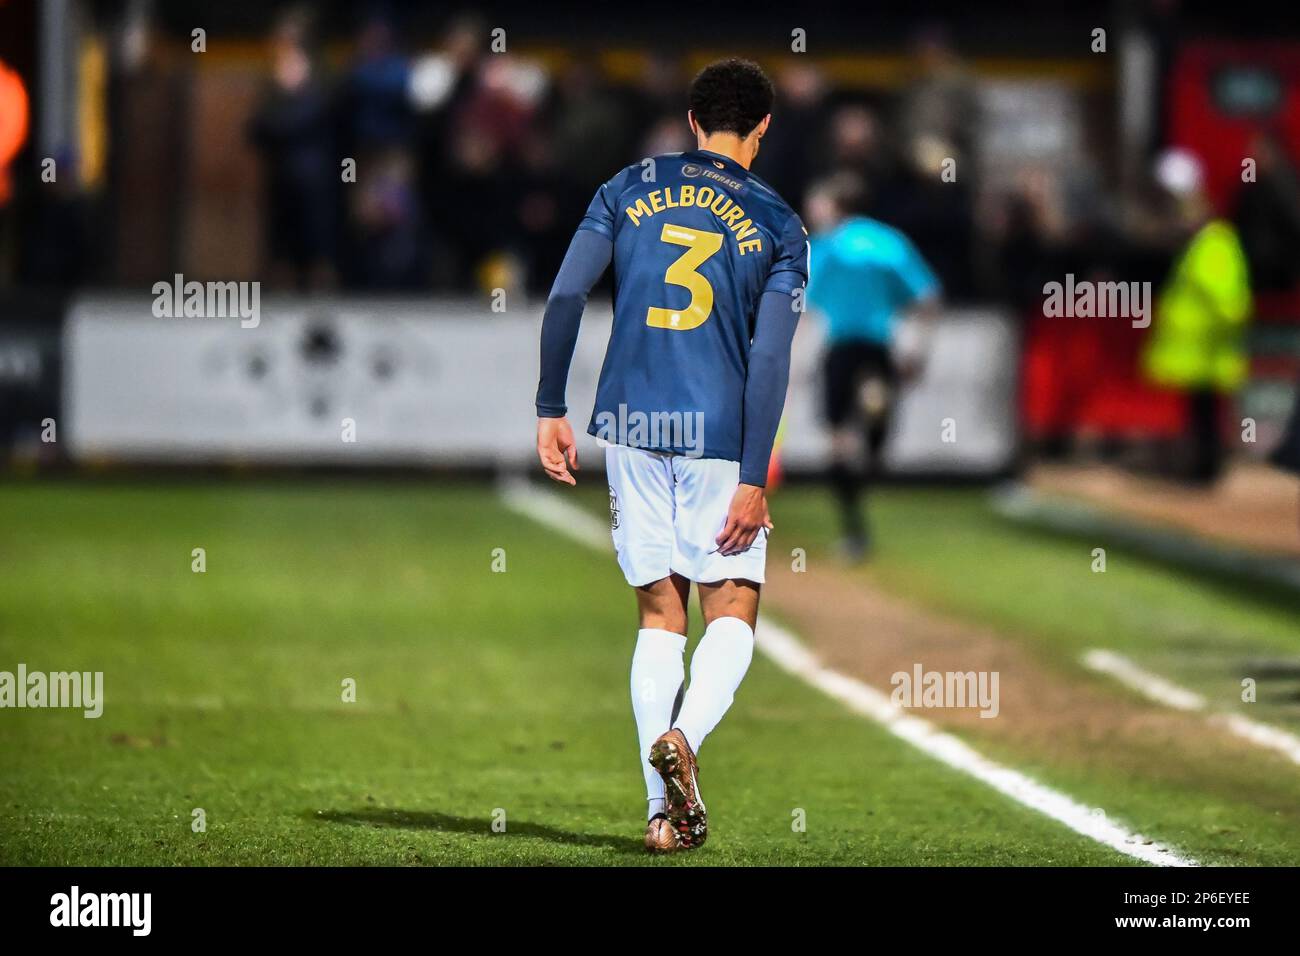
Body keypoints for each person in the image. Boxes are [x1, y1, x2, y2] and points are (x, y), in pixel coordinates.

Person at [533, 59, 808, 853]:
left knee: (660, 617)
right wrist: (755, 477)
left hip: (629, 422)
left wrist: (551, 406)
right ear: (762, 128)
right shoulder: (782, 224)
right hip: (719, 432)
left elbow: (561, 298)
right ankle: (684, 742)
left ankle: (663, 814)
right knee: (731, 612)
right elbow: (772, 361)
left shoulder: (625, 187)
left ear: (692, 122)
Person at [804, 172, 940, 559]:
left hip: (842, 348)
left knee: (836, 442)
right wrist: (920, 352)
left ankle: (854, 532)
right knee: (873, 425)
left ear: (834, 205)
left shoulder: (827, 246)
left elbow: (799, 300)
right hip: (879, 347)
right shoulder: (889, 243)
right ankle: (875, 426)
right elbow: (928, 298)